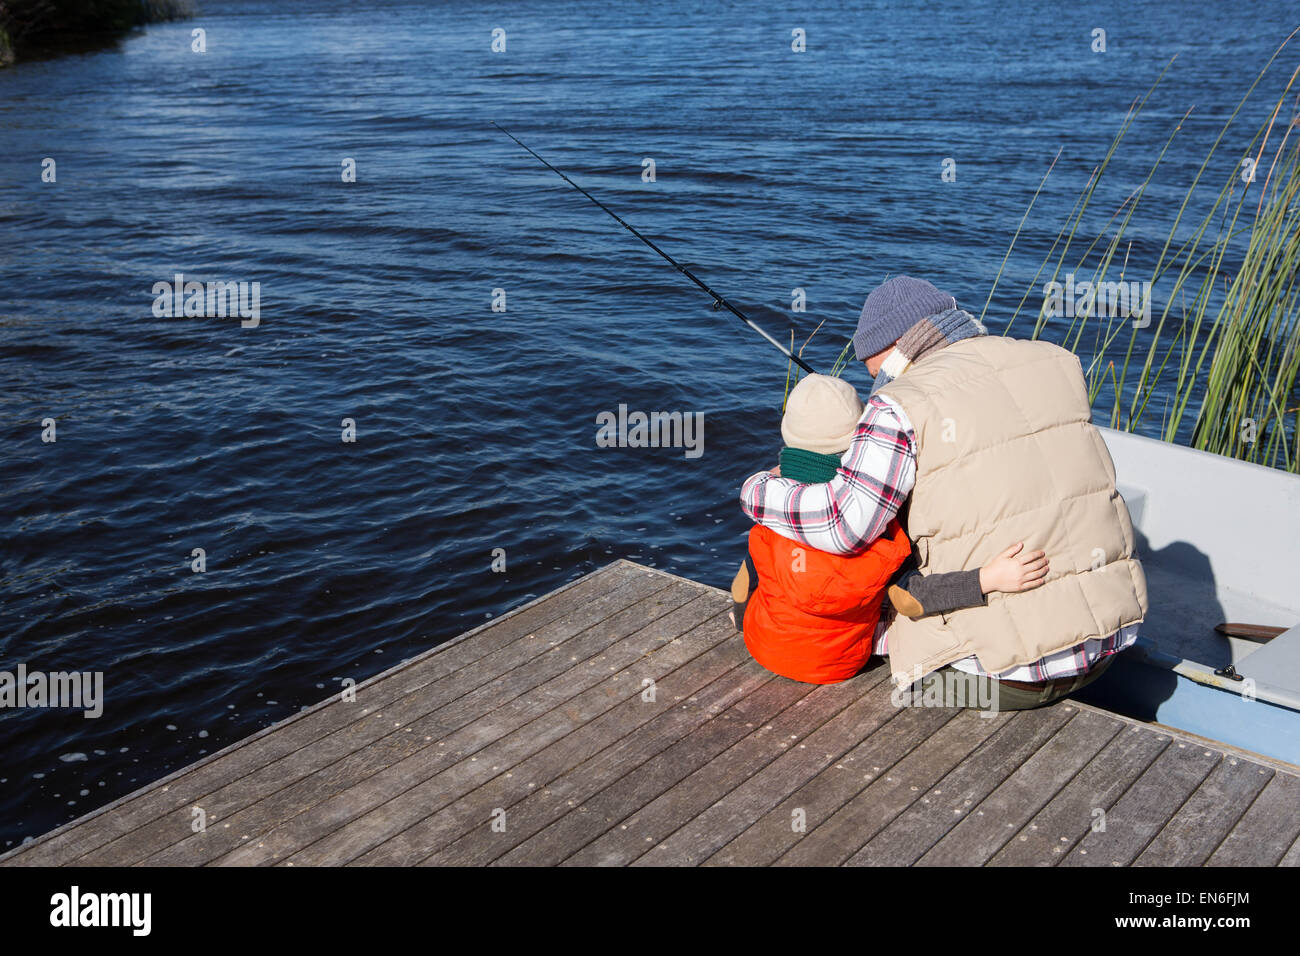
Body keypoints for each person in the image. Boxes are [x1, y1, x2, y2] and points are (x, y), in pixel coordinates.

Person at [740, 276, 1148, 710]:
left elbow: (844, 527)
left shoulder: (897, 403)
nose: (876, 385)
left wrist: (759, 488)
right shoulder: (1056, 361)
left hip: (1004, 677)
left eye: (875, 373)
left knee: (836, 562)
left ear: (897, 348)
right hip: (1107, 648)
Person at [729, 373, 1052, 685]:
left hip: (762, 647)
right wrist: (988, 578)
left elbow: (743, 587)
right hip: (840, 664)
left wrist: (742, 621)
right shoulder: (878, 533)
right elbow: (910, 600)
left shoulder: (774, 519)